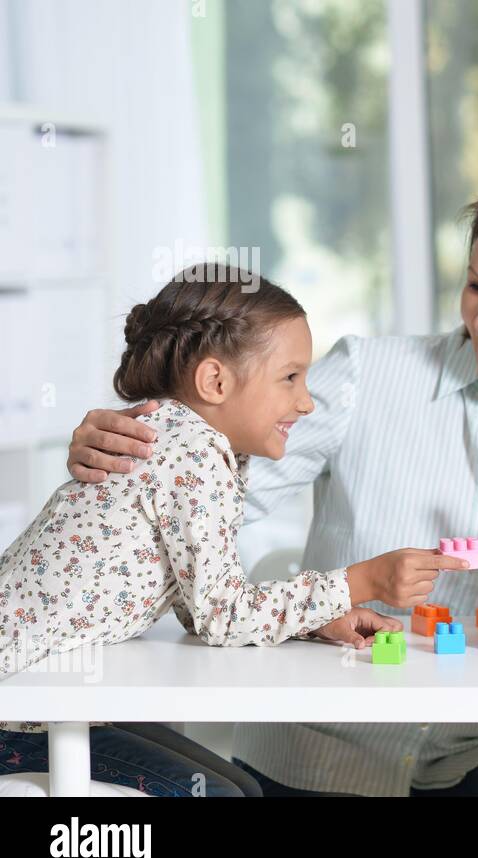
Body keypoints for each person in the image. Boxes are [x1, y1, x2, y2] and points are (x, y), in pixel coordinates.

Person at [61, 179, 478, 796]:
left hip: (466, 750)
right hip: (318, 747)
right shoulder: (371, 376)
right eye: (477, 287)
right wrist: (122, 469)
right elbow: (203, 507)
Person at [0, 265, 414, 796]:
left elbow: (201, 606)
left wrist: (317, 619)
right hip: (18, 709)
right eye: (290, 378)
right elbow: (221, 616)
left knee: (237, 788)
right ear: (215, 381)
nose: (307, 401)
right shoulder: (192, 454)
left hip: (42, 693)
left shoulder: (186, 439)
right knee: (224, 794)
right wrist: (355, 582)